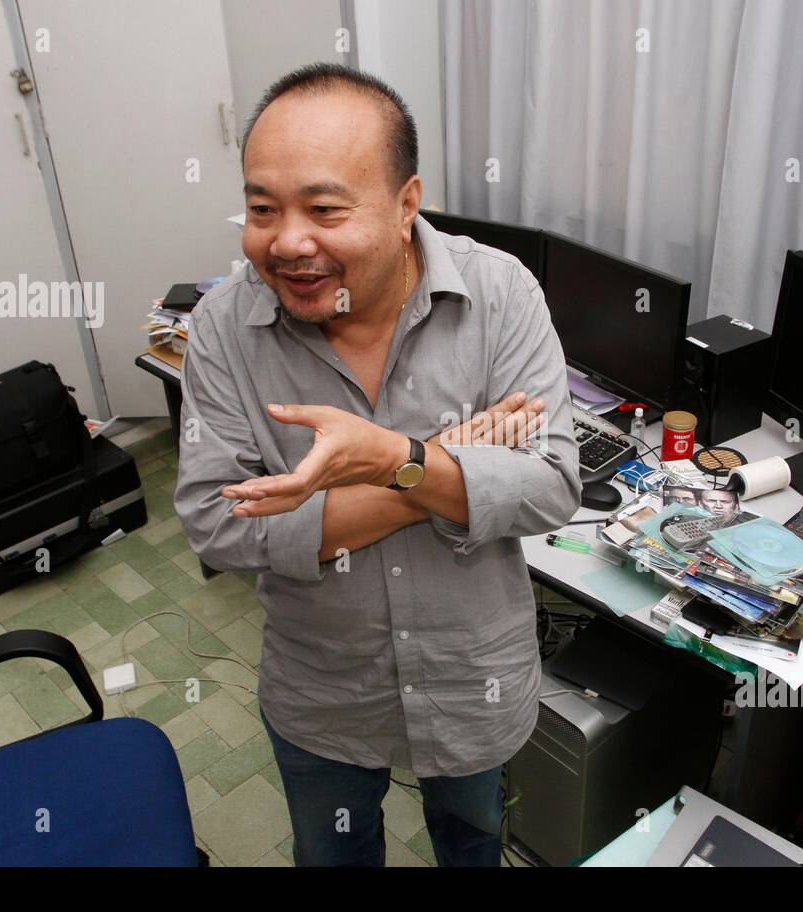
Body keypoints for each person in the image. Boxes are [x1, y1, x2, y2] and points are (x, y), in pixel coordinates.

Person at [173, 63, 581, 866]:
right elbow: (217, 522)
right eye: (261, 209)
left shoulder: (501, 295)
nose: (287, 241)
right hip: (323, 685)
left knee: (473, 843)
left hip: (473, 676)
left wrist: (389, 461)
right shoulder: (223, 328)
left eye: (323, 209)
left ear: (405, 204)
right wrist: (446, 462)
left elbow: (553, 486)